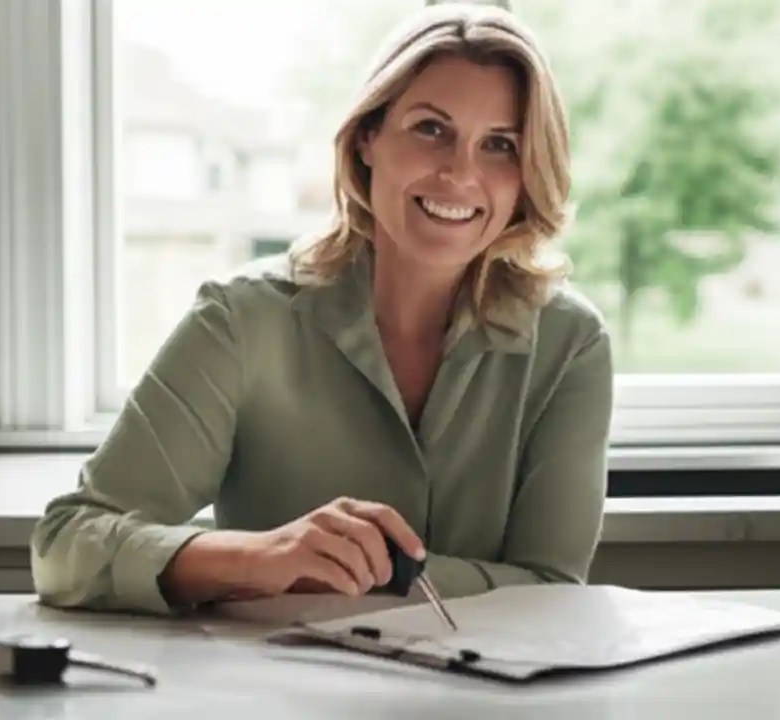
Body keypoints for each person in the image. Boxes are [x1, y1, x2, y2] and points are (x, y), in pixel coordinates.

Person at [31, 2, 613, 615]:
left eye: (499, 144)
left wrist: (364, 576)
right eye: (430, 129)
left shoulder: (570, 343)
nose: (459, 173)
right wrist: (258, 559)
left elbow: (554, 597)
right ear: (367, 137)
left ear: (528, 173)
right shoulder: (240, 321)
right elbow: (66, 546)